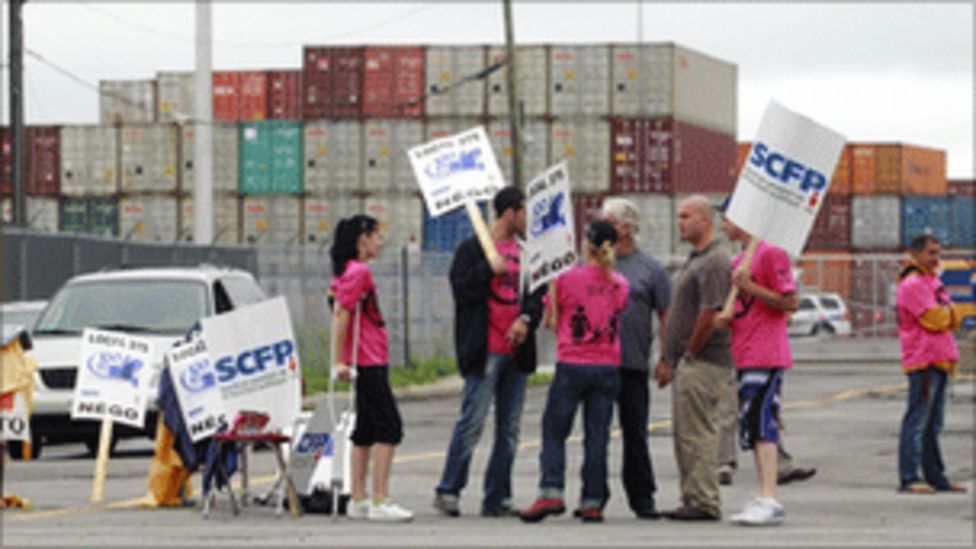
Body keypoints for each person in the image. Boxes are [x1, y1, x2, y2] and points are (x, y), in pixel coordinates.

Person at [433, 187, 545, 517]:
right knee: (472, 422)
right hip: (485, 350)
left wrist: (526, 319)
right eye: (524, 213)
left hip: (517, 351)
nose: (527, 221)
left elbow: (537, 296)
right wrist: (488, 270)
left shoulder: (528, 253)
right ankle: (449, 489)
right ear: (509, 212)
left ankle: (497, 495)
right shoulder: (472, 249)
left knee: (509, 430)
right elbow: (462, 291)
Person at [520, 221, 629, 524]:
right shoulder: (621, 283)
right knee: (597, 436)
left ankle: (551, 490)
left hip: (573, 361)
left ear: (587, 244)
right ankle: (593, 499)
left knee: (555, 429)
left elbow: (551, 320)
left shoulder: (566, 279)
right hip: (607, 363)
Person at [715, 214, 799, 526]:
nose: (723, 226)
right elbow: (745, 309)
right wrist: (728, 318)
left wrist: (752, 286)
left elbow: (790, 302)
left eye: (727, 220)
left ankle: (770, 496)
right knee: (751, 425)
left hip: (766, 354)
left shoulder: (770, 253)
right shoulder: (740, 259)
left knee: (764, 423)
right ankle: (764, 494)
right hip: (746, 353)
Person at [330, 214, 414, 522]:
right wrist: (339, 360)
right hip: (368, 361)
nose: (380, 242)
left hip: (369, 358)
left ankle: (359, 497)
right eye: (377, 236)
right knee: (389, 427)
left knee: (364, 430)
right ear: (362, 239)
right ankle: (380, 498)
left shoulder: (349, 272)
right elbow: (342, 314)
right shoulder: (359, 271)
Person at [657, 195, 732, 521]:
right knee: (685, 433)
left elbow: (710, 312)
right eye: (679, 216)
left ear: (705, 219)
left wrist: (690, 350)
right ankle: (693, 496)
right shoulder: (697, 259)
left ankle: (703, 500)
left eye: (686, 216)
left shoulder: (715, 261)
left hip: (704, 361)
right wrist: (668, 356)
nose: (680, 223)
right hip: (687, 360)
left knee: (697, 433)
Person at [600, 197, 671, 519]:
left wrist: (665, 357)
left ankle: (642, 497)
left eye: (610, 222)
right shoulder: (597, 265)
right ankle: (593, 496)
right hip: (598, 361)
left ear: (626, 228)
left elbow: (665, 316)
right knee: (596, 433)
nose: (603, 228)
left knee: (635, 433)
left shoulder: (650, 269)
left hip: (633, 362)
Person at [896, 235, 966, 494]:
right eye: (930, 253)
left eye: (938, 253)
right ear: (915, 254)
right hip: (924, 358)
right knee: (918, 420)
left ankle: (936, 476)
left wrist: (950, 315)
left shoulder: (932, 281)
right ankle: (910, 476)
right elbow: (935, 318)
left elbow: (953, 315)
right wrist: (950, 314)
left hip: (941, 357)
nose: (936, 258)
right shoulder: (913, 284)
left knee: (934, 423)